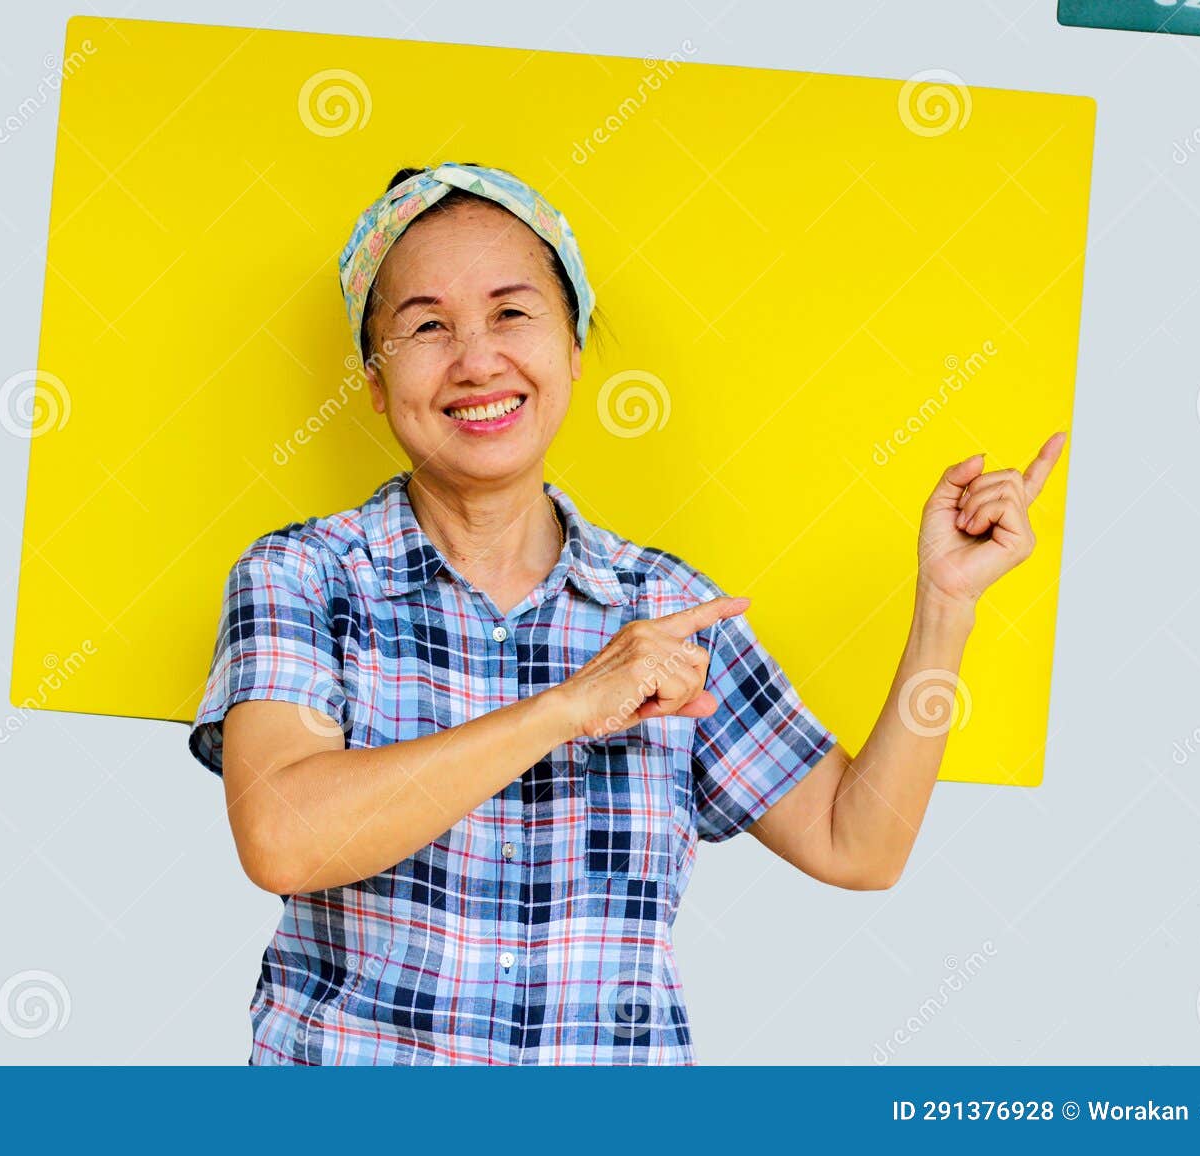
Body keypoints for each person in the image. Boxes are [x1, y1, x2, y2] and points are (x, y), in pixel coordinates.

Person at [188, 161, 1066, 1065]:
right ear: (373, 380)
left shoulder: (666, 609)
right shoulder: (304, 576)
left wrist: (947, 604)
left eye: (513, 313)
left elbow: (858, 843)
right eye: (426, 327)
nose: (477, 358)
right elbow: (285, 838)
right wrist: (568, 706)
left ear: (572, 350)